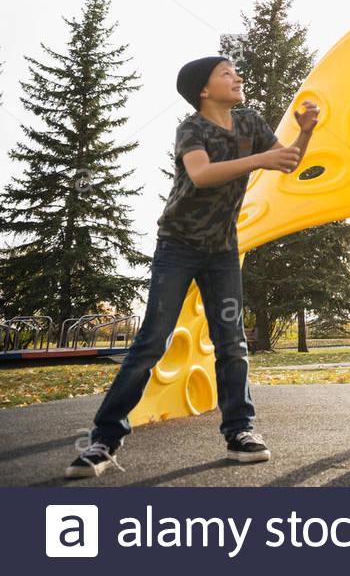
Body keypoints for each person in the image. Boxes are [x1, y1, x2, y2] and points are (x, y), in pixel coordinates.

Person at [65, 56, 316, 478]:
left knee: (231, 341)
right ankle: (104, 438)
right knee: (152, 341)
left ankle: (240, 431)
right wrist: (258, 162)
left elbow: (288, 161)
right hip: (178, 245)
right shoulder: (192, 128)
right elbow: (200, 175)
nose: (237, 77)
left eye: (236, 71)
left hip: (221, 250)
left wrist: (306, 132)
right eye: (226, 73)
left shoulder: (250, 122)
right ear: (204, 89)